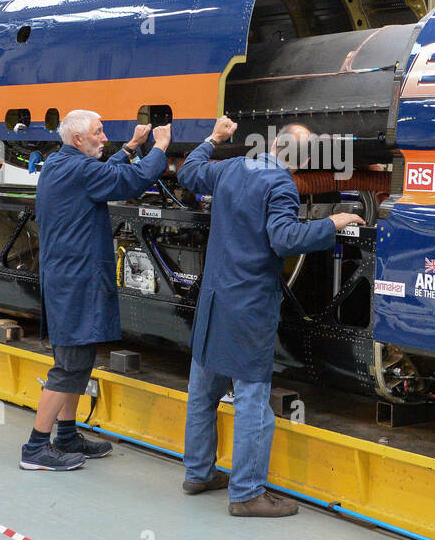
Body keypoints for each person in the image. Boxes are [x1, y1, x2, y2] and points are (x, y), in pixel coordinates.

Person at [177, 117, 365, 517]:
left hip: (213, 299)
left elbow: (189, 172)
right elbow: (284, 238)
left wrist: (213, 138)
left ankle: (198, 473)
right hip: (247, 306)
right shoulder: (280, 183)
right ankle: (246, 494)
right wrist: (333, 222)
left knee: (203, 391)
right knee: (252, 402)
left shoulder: (232, 166)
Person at [20, 110, 172, 470]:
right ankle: (35, 448)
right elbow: (130, 182)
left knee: (81, 360)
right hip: (75, 281)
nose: (104, 139)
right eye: (99, 133)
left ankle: (67, 435)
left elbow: (105, 172)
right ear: (78, 140)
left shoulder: (62, 163)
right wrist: (159, 149)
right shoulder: (80, 169)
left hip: (73, 276)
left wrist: (132, 146)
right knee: (69, 363)